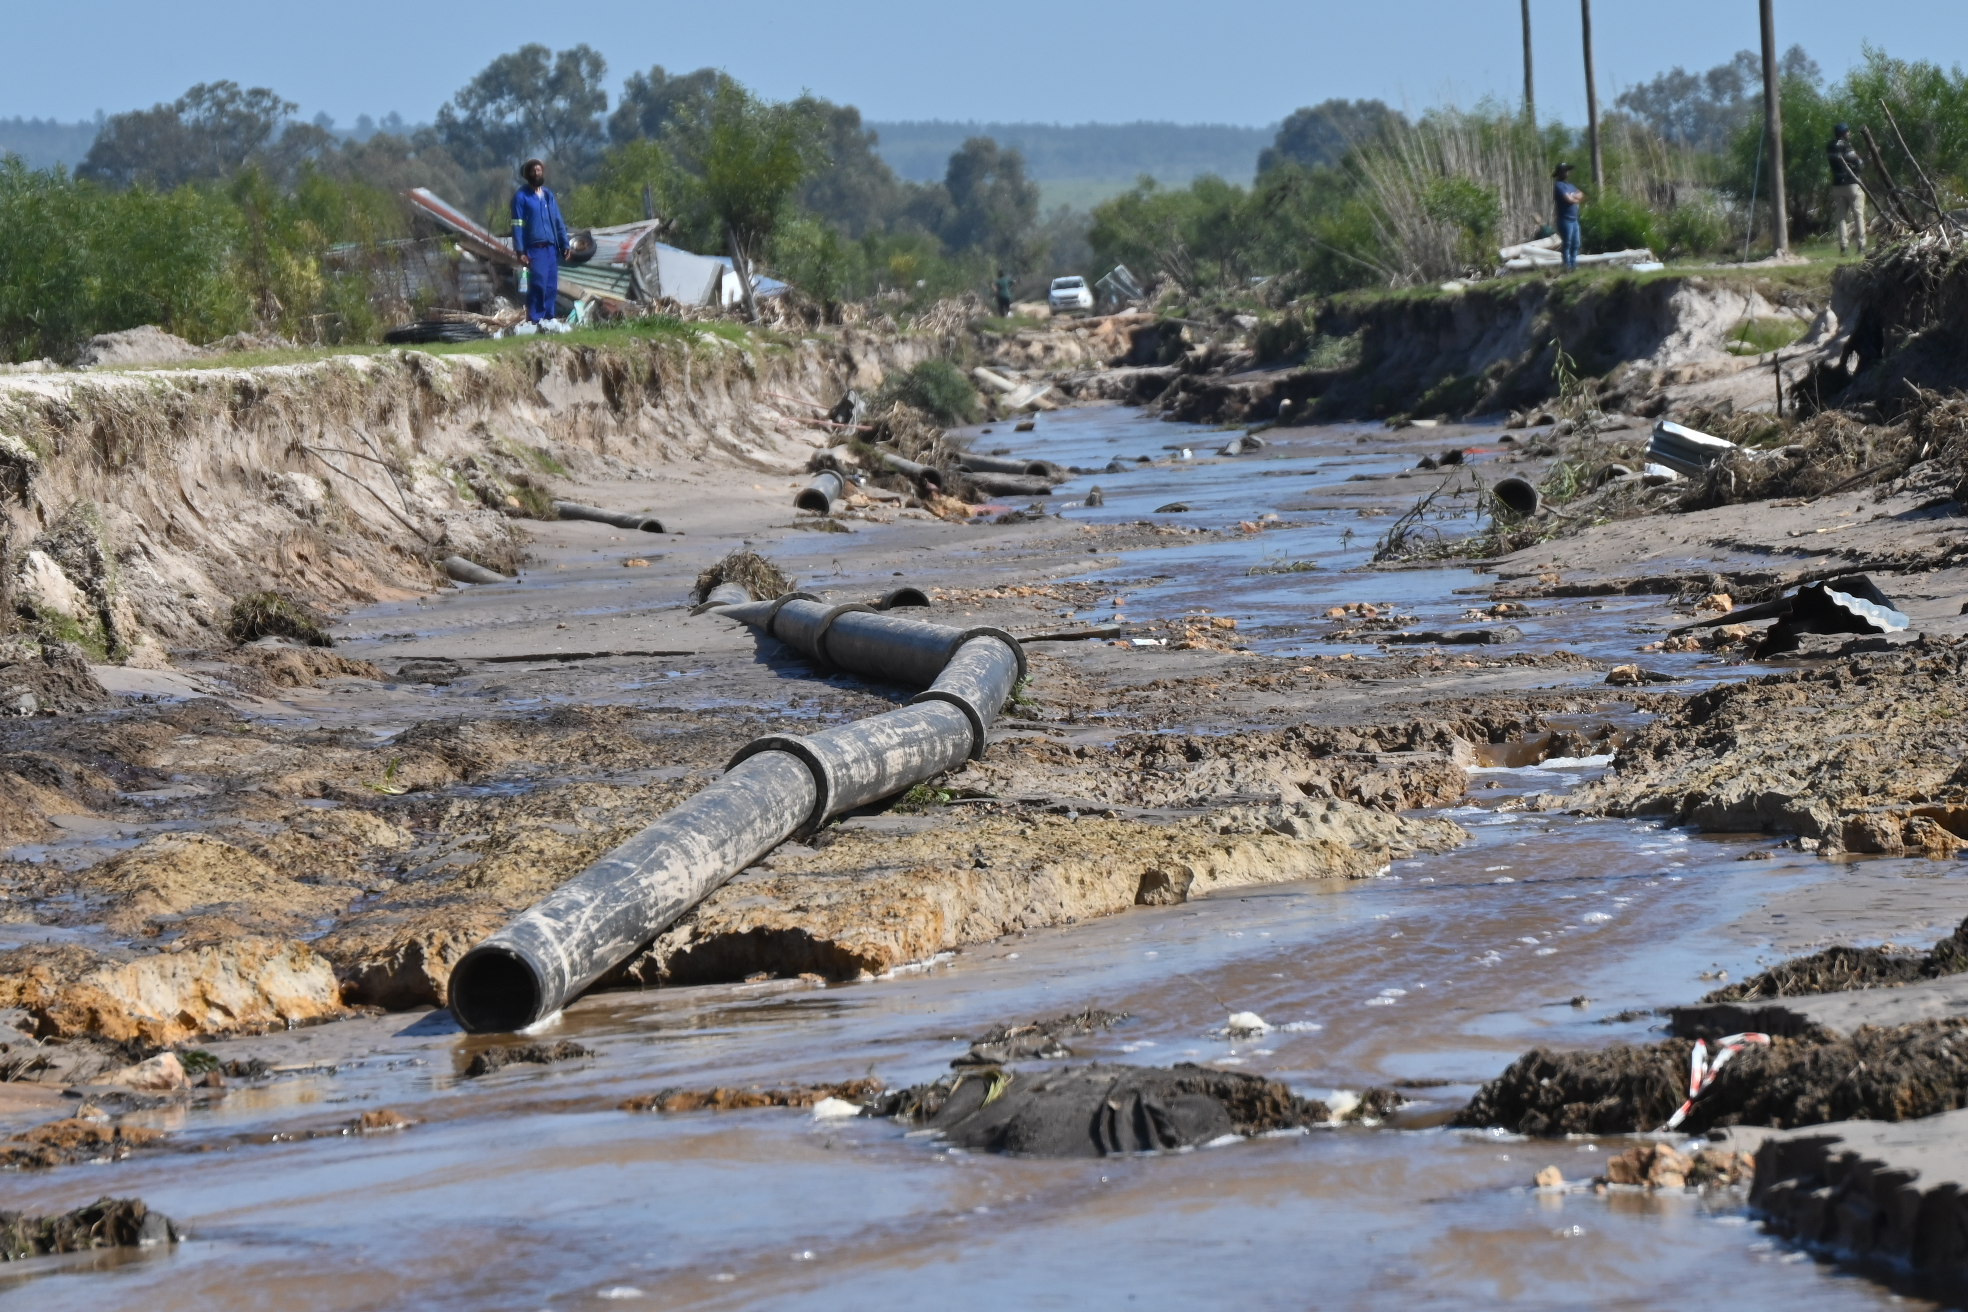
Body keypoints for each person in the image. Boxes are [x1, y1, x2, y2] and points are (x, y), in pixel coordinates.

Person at [511, 158, 570, 323]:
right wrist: (520, 251)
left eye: (539, 170)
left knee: (551, 287)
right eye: (534, 171)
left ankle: (549, 320)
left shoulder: (548, 195)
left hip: (551, 249)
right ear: (528, 174)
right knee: (538, 285)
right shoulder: (521, 197)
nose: (537, 173)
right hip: (535, 249)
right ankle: (536, 320)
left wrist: (564, 243)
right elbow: (517, 225)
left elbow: (558, 221)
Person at [1828, 123, 1867, 256]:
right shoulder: (1846, 146)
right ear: (1844, 133)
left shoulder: (1830, 146)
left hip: (1837, 185)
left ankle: (1844, 247)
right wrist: (1864, 161)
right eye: (1848, 132)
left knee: (1841, 217)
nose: (1849, 134)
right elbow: (1857, 163)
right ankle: (1861, 245)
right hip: (1851, 184)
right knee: (1858, 215)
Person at [1552, 163, 1586, 273]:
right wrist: (1574, 198)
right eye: (1565, 171)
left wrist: (1574, 197)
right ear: (1560, 173)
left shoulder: (1570, 185)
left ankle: (1573, 265)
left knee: (1576, 243)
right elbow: (1568, 199)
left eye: (1568, 171)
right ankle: (1567, 266)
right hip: (1564, 219)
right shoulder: (1559, 185)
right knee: (1567, 243)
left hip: (1574, 219)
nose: (1567, 173)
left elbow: (1581, 194)